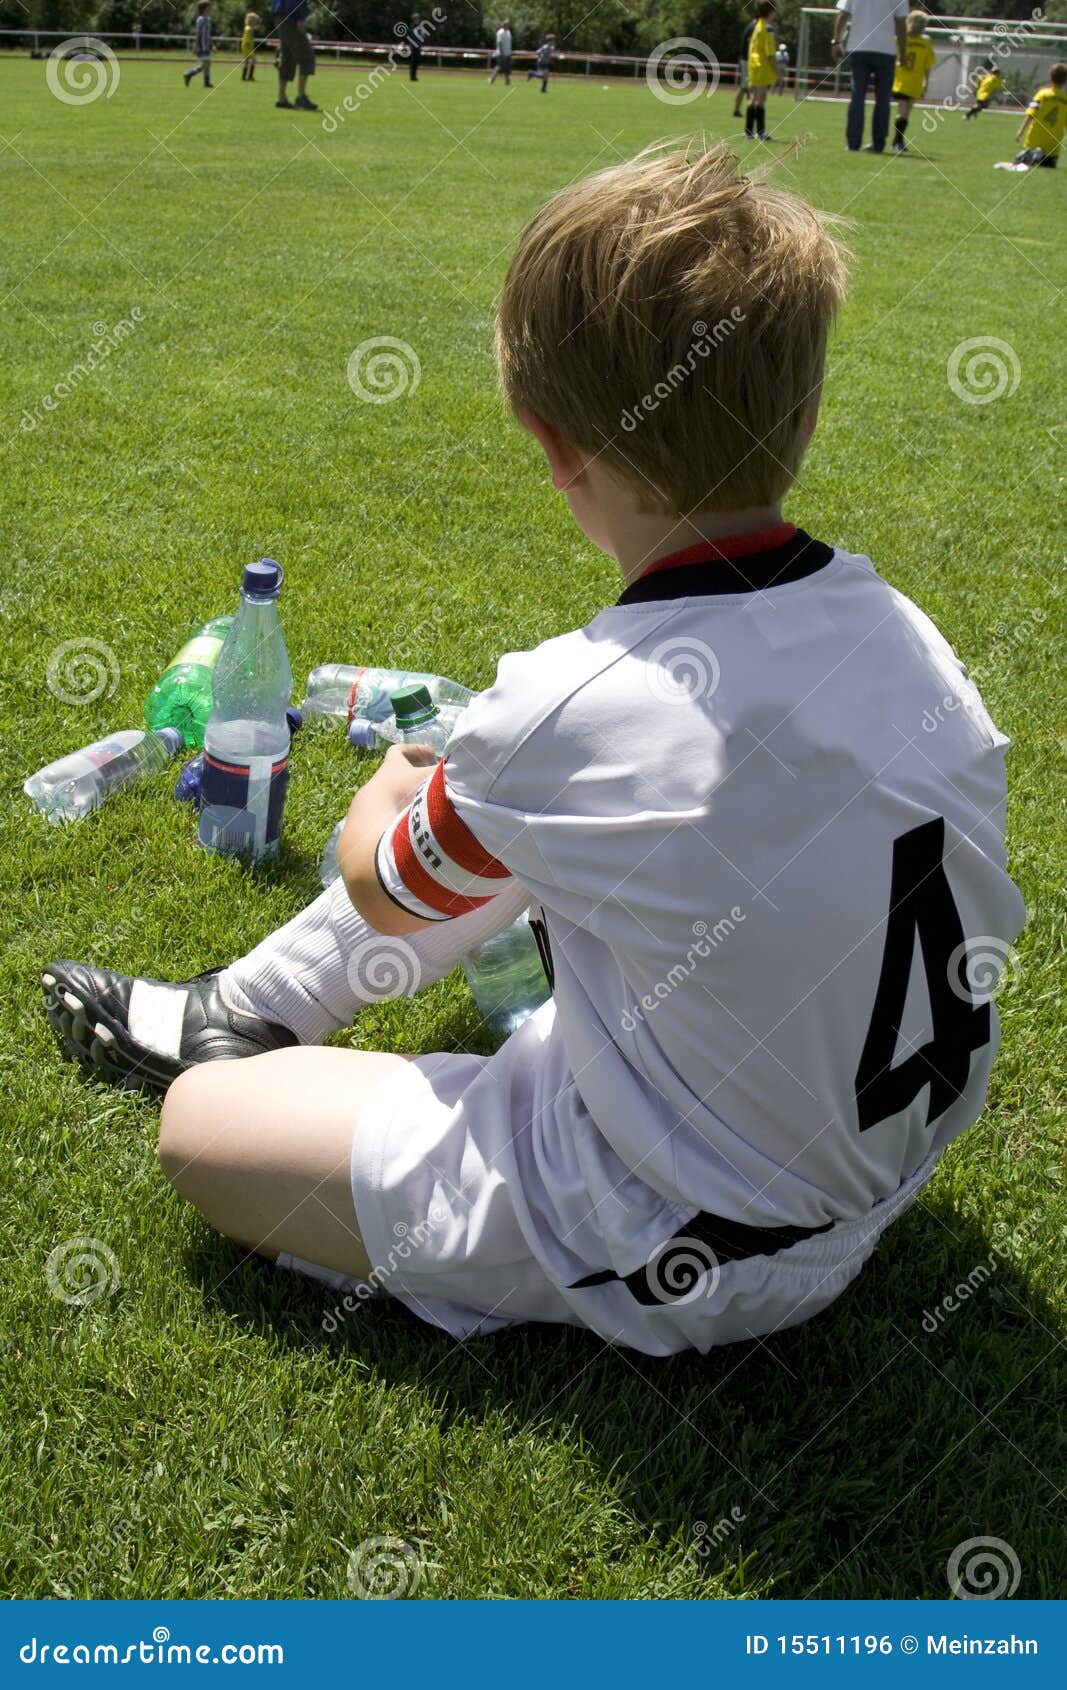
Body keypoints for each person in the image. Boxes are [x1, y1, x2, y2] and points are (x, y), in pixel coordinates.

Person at [41, 143, 1024, 1358]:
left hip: (682, 1237)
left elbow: (378, 886)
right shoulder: (901, 632)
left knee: (203, 1125)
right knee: (513, 819)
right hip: (870, 1174)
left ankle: (226, 1045)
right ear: (806, 410)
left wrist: (407, 775)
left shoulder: (573, 709)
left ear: (550, 443)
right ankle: (242, 1003)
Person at [833, 0, 908, 153]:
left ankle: (853, 143)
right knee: (882, 100)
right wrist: (903, 52)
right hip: (886, 51)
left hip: (859, 48)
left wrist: (836, 41)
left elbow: (843, 14)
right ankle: (878, 144)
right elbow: (901, 23)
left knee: (857, 96)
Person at [995, 61, 1067, 168]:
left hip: (1033, 143)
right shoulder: (1065, 99)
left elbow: (1031, 114)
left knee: (1017, 165)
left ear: (1050, 77)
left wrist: (1021, 131)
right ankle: (1039, 158)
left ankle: (1030, 157)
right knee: (1046, 167)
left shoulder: (1042, 94)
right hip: (1053, 149)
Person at [890, 9, 935, 152]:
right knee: (903, 110)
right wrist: (926, 82)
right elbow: (928, 66)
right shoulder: (923, 42)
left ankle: (897, 140)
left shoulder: (901, 39)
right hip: (905, 81)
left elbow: (927, 64)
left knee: (905, 112)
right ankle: (898, 141)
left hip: (910, 81)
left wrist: (926, 82)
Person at [271, 0, 317, 110]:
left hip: (279, 16)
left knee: (288, 57)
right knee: (308, 57)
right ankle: (301, 97)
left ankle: (282, 97)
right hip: (290, 17)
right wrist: (301, 18)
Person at [745, 3, 777, 139]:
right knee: (760, 99)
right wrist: (778, 72)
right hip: (762, 66)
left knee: (753, 99)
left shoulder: (757, 25)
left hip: (753, 65)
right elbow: (770, 53)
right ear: (771, 12)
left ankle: (748, 131)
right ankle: (761, 132)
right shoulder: (767, 28)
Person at [732, 11, 758, 120]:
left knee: (744, 86)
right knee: (749, 87)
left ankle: (737, 110)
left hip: (745, 60)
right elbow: (751, 44)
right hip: (747, 60)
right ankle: (751, 112)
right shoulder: (754, 27)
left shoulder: (750, 26)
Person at [182, 1, 213, 89]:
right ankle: (189, 75)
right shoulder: (200, 19)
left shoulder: (209, 20)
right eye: (209, 7)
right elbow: (198, 33)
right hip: (201, 45)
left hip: (206, 45)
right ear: (205, 9)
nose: (211, 9)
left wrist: (212, 45)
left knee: (207, 64)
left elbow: (208, 34)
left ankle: (203, 81)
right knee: (206, 64)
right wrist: (196, 46)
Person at [489, 18, 513, 85]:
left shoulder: (509, 32)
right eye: (506, 24)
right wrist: (502, 53)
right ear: (503, 25)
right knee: (499, 67)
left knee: (507, 68)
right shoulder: (500, 32)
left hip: (508, 53)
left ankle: (507, 81)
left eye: (508, 24)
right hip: (501, 53)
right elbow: (499, 43)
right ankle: (491, 79)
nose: (508, 25)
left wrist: (510, 52)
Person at [240, 9, 260, 82]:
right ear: (252, 20)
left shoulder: (247, 27)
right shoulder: (249, 29)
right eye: (255, 21)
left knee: (247, 61)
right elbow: (248, 39)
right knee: (253, 60)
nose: (256, 23)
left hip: (245, 46)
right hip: (247, 46)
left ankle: (244, 77)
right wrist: (251, 48)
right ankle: (250, 76)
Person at [407, 13, 423, 82]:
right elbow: (410, 37)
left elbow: (421, 36)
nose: (417, 20)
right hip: (413, 46)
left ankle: (414, 76)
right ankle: (412, 76)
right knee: (413, 62)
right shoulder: (412, 27)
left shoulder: (419, 27)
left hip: (418, 46)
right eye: (416, 19)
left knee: (416, 62)